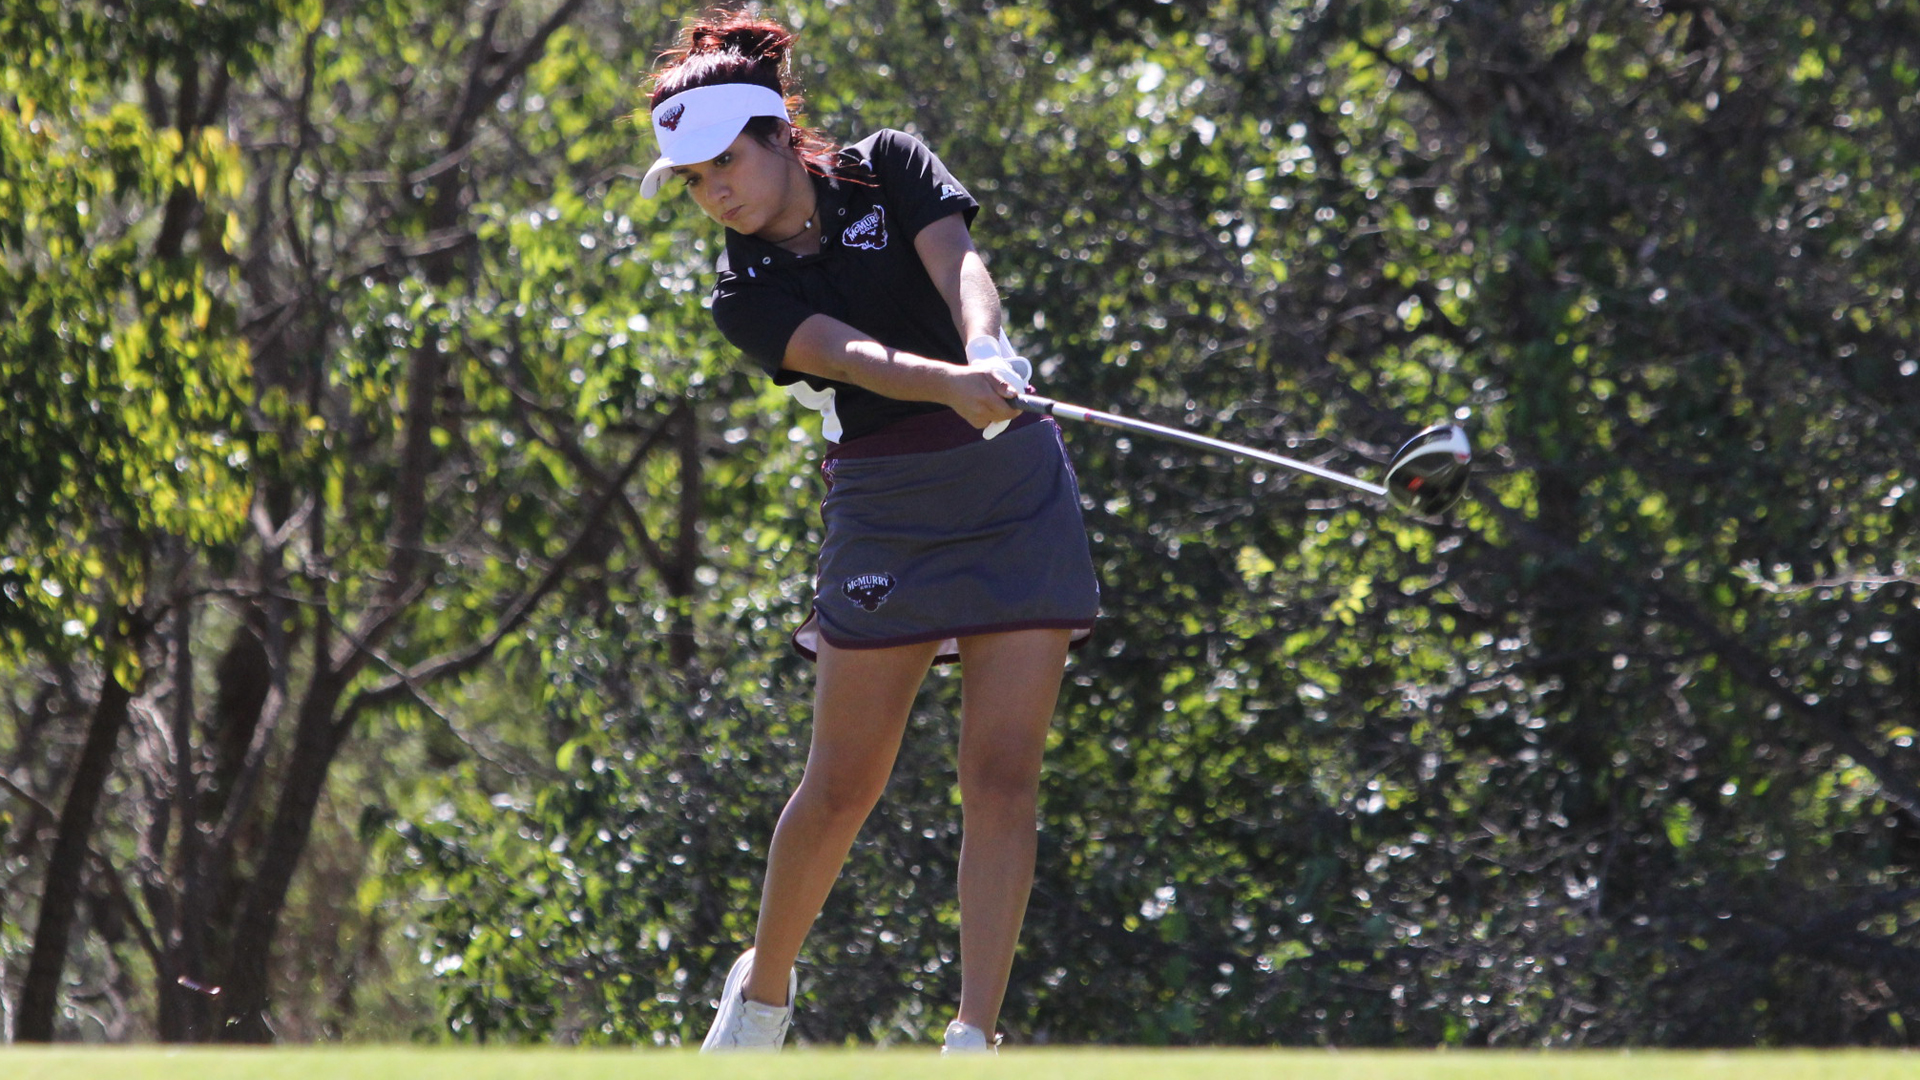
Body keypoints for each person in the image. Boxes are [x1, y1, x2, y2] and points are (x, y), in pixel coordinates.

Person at [638, 11, 1099, 1055]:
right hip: (887, 507)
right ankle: (764, 996)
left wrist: (992, 348)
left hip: (1013, 489)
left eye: (723, 165)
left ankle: (974, 1038)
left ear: (773, 132)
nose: (716, 192)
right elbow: (855, 358)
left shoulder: (889, 165)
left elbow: (959, 264)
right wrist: (955, 383)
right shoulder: (742, 290)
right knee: (844, 781)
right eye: (694, 182)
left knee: (1003, 772)